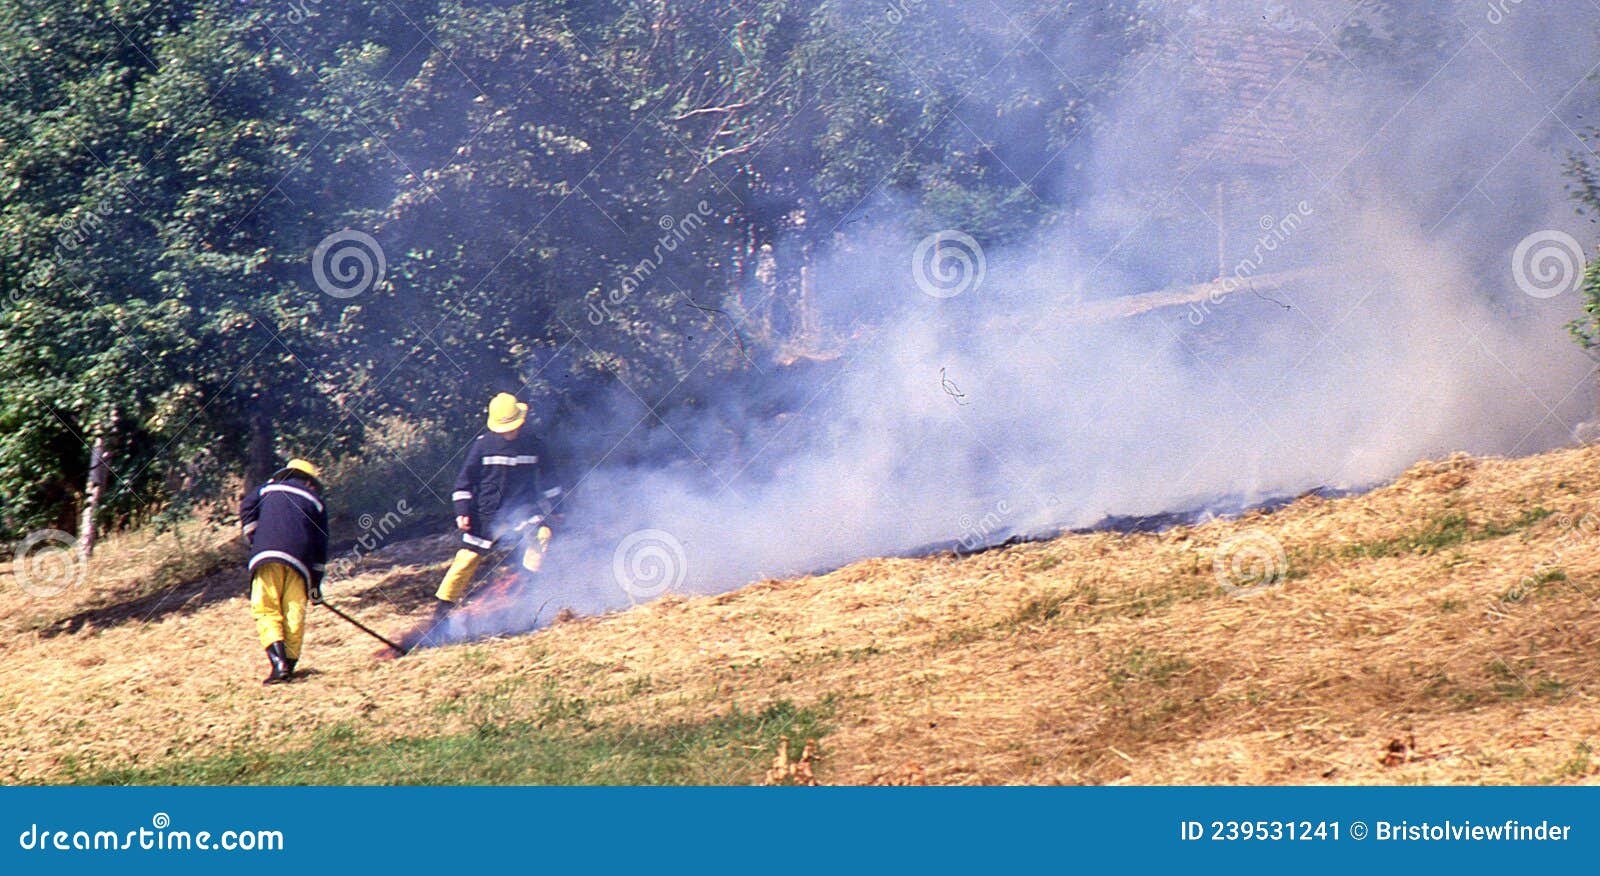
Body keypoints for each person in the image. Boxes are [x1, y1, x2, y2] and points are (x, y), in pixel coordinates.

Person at [429, 392, 559, 622]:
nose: (509, 432)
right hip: (486, 513)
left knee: (542, 535)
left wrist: (558, 507)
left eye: (513, 427)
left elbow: (550, 479)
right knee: (467, 560)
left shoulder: (534, 444)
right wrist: (462, 513)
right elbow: (463, 484)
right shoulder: (482, 446)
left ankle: (524, 586)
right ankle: (441, 612)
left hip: (523, 509)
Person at [239, 458, 328, 685]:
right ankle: (289, 665)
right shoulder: (317, 502)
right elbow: (320, 546)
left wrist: (254, 537)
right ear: (310, 482)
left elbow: (246, 506)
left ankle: (278, 665)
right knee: (294, 611)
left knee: (266, 608)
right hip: (301, 564)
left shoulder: (268, 489)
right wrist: (315, 585)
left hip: (267, 556)